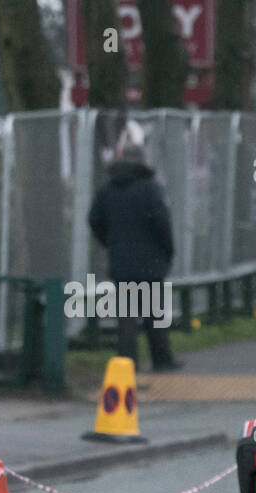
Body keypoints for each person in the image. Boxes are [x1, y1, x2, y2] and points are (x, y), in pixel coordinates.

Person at [88, 144, 180, 372]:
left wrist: (110, 242)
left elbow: (94, 219)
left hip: (122, 262)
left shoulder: (108, 190)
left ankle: (127, 363)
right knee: (155, 314)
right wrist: (167, 250)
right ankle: (162, 359)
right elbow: (162, 224)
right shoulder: (150, 189)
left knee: (127, 317)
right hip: (151, 262)